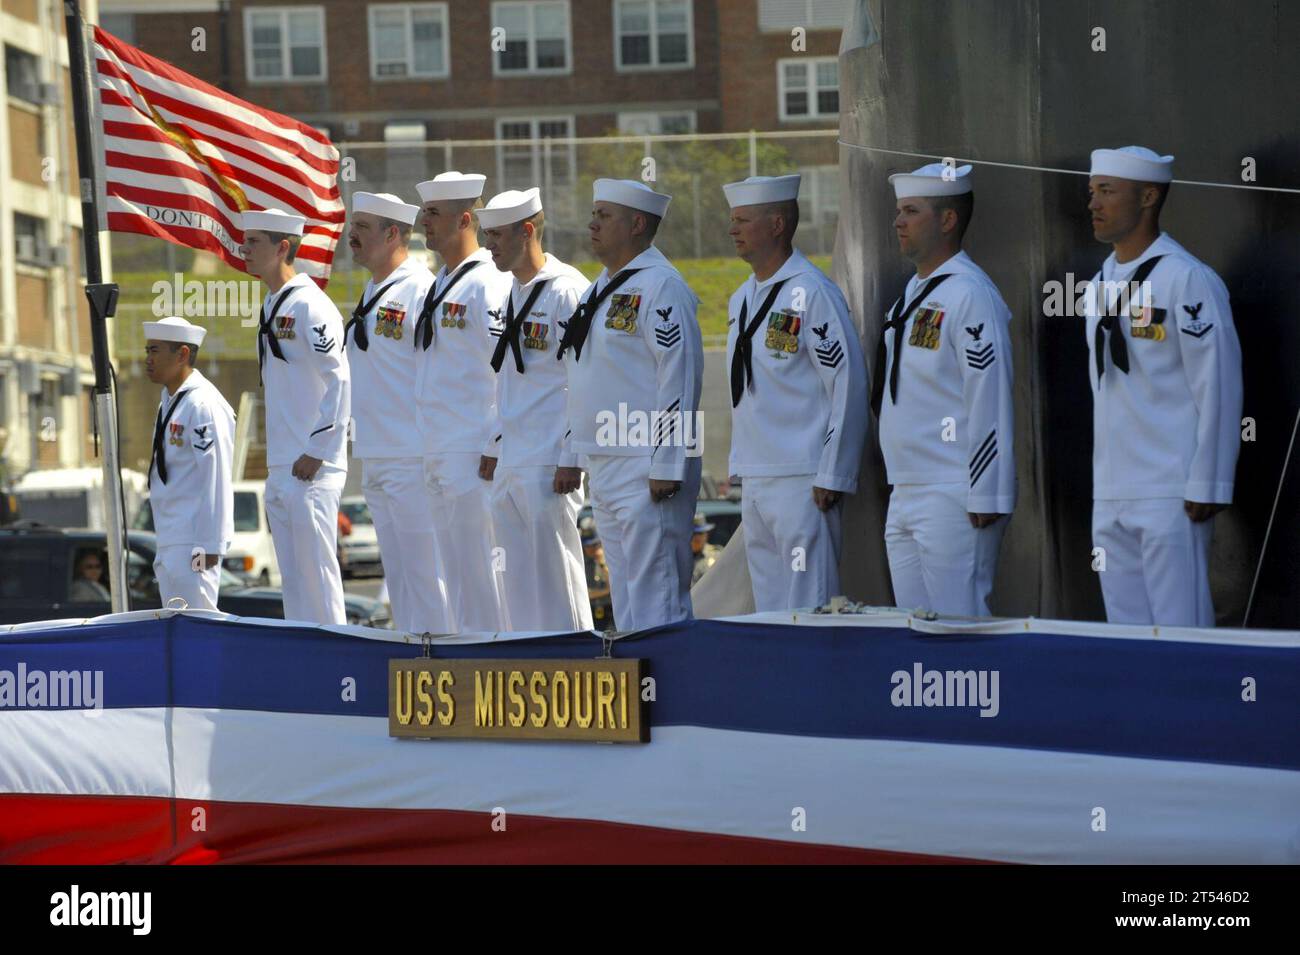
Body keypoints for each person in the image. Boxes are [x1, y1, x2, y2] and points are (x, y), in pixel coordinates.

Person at [1084, 146, 1243, 627]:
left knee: (1182, 633)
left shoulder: (1186, 278)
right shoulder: (1097, 284)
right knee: (1126, 634)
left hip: (1171, 489)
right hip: (1112, 488)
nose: (1093, 203)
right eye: (1092, 192)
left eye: (1107, 192)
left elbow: (1217, 382)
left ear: (1148, 196)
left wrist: (1208, 478)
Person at [873, 163, 1016, 617]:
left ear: (948, 220)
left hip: (954, 487)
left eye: (911, 211)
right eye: (898, 211)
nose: (898, 221)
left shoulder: (969, 293)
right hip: (907, 486)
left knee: (961, 629)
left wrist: (987, 490)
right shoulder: (913, 293)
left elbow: (989, 392)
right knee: (916, 634)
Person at [563, 179, 704, 631]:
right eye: (594, 214)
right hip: (606, 460)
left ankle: (669, 692)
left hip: (645, 463)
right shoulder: (596, 290)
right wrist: (574, 453)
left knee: (657, 595)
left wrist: (667, 461)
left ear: (637, 223)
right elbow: (580, 376)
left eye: (604, 215)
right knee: (625, 596)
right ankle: (637, 689)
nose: (592, 224)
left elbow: (678, 376)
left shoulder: (662, 287)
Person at [724, 174, 868, 611]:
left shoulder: (812, 292)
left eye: (744, 220)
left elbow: (847, 381)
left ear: (777, 225)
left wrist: (833, 471)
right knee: (769, 606)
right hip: (757, 473)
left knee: (810, 603)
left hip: (803, 475)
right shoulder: (741, 298)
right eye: (732, 220)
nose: (733, 230)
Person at [479, 187, 592, 631]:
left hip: (549, 459)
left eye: (499, 236)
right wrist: (494, 443)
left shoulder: (567, 292)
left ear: (528, 231)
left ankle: (577, 662)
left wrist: (572, 455)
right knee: (518, 579)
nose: (490, 246)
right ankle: (528, 660)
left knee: (557, 575)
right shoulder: (514, 290)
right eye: (487, 236)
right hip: (514, 457)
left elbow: (583, 380)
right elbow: (508, 376)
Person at [344, 191, 449, 634]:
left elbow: (440, 374)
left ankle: (444, 659)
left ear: (392, 234)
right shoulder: (373, 290)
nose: (352, 236)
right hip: (377, 451)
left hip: (413, 454)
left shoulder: (420, 290)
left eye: (363, 227)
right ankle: (413, 660)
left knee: (430, 575)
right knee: (401, 577)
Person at [241, 208, 351, 625]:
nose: (244, 249)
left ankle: (337, 663)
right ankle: (308, 667)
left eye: (254, 242)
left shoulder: (310, 305)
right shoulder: (272, 303)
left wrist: (318, 449)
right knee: (295, 582)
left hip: (311, 467)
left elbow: (339, 379)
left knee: (319, 578)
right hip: (282, 464)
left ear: (282, 247)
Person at [414, 172, 512, 632]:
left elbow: (504, 368)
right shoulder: (441, 283)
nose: (424, 222)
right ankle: (464, 664)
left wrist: (494, 441)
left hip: (475, 453)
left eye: (434, 213)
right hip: (441, 448)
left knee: (485, 579)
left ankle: (493, 668)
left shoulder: (487, 282)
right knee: (456, 577)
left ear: (465, 220)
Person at [142, 315, 235, 611]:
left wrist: (210, 545)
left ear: (182, 354)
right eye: (148, 351)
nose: (148, 359)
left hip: (194, 541)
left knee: (200, 628)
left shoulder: (202, 404)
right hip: (170, 537)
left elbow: (216, 476)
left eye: (155, 350)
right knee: (180, 632)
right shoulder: (168, 402)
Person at [690, 513, 720, 586]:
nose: (697, 538)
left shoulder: (717, 556)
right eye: (693, 534)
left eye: (700, 533)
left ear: (706, 535)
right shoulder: (677, 558)